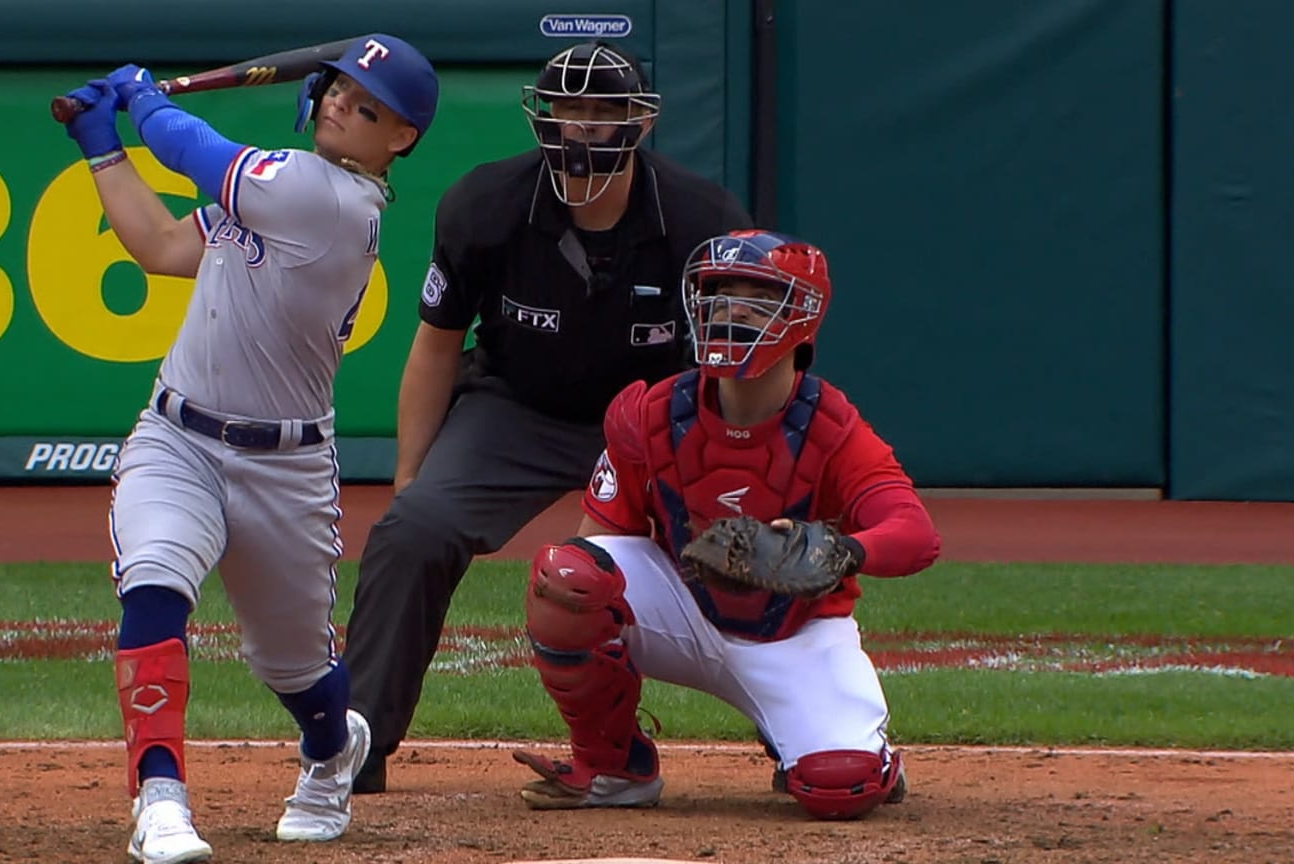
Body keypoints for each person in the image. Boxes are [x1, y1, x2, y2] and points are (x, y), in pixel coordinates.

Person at [57, 33, 438, 863]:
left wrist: (144, 98)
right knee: (154, 583)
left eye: (368, 107)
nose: (340, 102)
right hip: (176, 438)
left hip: (286, 466)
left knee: (293, 667)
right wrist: (102, 149)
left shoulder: (328, 200)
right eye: (339, 89)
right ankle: (159, 798)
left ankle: (333, 746)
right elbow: (159, 249)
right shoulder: (280, 195)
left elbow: (196, 149)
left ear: (399, 139)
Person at [341, 40, 754, 793]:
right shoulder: (484, 205)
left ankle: (810, 741)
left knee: (742, 537)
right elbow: (435, 347)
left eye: (603, 114)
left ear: (639, 123)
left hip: (656, 417)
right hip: (517, 407)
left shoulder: (704, 218)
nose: (584, 130)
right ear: (545, 116)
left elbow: (734, 371)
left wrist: (730, 473)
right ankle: (357, 741)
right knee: (415, 527)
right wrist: (408, 479)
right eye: (570, 111)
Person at [512, 229, 941, 820]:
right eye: (719, 294)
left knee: (841, 787)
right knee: (569, 576)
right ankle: (613, 767)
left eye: (755, 297)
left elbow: (916, 535)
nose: (732, 311)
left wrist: (839, 552)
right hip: (686, 606)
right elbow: (597, 545)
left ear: (800, 317)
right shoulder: (650, 413)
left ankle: (848, 751)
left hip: (794, 631)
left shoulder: (833, 427)